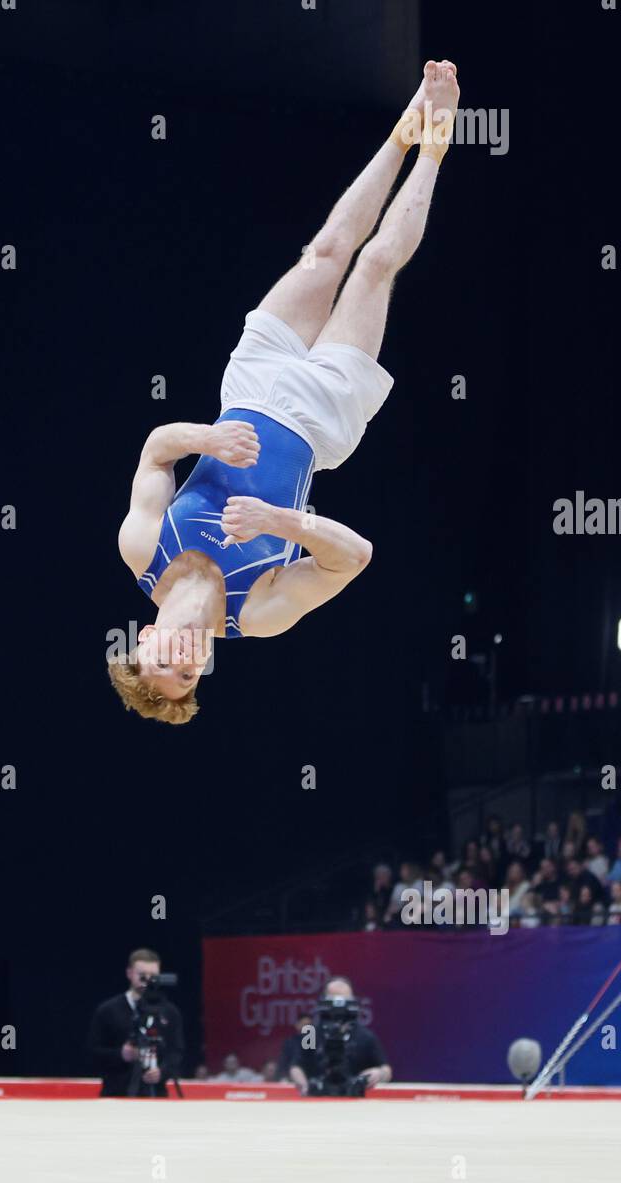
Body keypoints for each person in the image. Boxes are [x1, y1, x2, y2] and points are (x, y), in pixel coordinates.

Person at [108, 61, 460, 722]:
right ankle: (435, 148)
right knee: (374, 268)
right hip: (318, 420)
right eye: (189, 675)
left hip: (247, 390)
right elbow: (353, 559)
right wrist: (279, 523)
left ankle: (405, 130)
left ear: (145, 640)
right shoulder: (258, 613)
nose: (182, 661)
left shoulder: (141, 551)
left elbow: (156, 452)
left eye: (165, 664)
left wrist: (205, 438)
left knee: (324, 253)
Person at [86, 948, 185, 1097]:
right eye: (142, 976)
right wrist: (120, 1054)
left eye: (153, 976)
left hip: (156, 1094)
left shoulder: (169, 1012)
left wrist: (162, 1072)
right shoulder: (108, 1010)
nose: (147, 981)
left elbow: (176, 1051)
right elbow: (93, 1052)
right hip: (116, 1094)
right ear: (129, 973)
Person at [288, 977, 391, 1096]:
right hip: (317, 1100)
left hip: (354, 1102)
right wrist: (303, 1086)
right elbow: (296, 1066)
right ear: (323, 1002)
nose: (339, 1008)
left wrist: (379, 1073)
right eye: (333, 1001)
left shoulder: (365, 1036)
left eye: (344, 1001)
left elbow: (386, 1069)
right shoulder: (310, 1034)